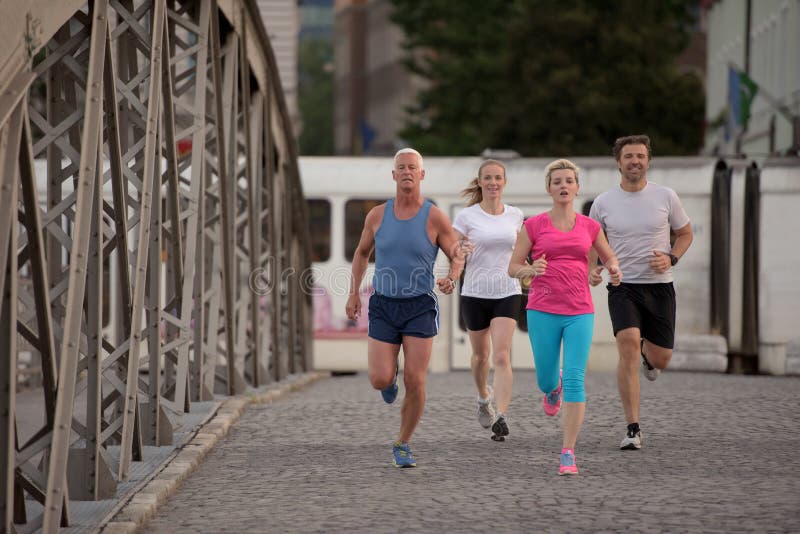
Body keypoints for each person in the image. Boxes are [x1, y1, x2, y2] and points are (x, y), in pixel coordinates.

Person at [345, 148, 464, 468]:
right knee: (380, 379)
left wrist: (452, 276)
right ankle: (390, 381)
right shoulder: (377, 215)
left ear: (421, 175)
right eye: (402, 168)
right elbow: (360, 254)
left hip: (419, 306)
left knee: (417, 379)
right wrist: (353, 293)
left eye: (413, 167)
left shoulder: (435, 216)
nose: (408, 172)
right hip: (383, 305)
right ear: (394, 175)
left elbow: (457, 252)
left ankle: (403, 442)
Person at [508, 159, 622, 475]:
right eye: (557, 181)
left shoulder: (589, 226)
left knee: (575, 379)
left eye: (569, 181)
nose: (563, 186)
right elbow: (512, 266)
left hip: (579, 311)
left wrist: (609, 269)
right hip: (542, 309)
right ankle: (551, 387)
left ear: (576, 188)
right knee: (547, 378)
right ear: (549, 188)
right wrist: (530, 269)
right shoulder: (534, 226)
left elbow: (608, 257)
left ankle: (568, 452)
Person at [588, 134, 693, 451]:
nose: (635, 161)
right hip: (623, 286)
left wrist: (672, 256)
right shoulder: (603, 202)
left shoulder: (666, 196)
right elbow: (591, 239)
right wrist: (593, 268)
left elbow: (685, 233)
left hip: (660, 286)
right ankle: (633, 428)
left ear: (648, 161)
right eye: (629, 156)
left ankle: (651, 359)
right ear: (618, 162)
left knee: (661, 357)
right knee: (628, 345)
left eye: (641, 156)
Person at [452, 160, 523, 441]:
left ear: (504, 182)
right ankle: (484, 397)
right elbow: (453, 249)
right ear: (480, 182)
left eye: (498, 178)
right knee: (481, 356)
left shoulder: (516, 215)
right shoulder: (466, 216)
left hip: (507, 289)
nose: (493, 182)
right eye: (488, 178)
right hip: (474, 293)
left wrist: (531, 268)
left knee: (502, 355)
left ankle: (501, 415)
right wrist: (459, 249)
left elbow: (523, 251)